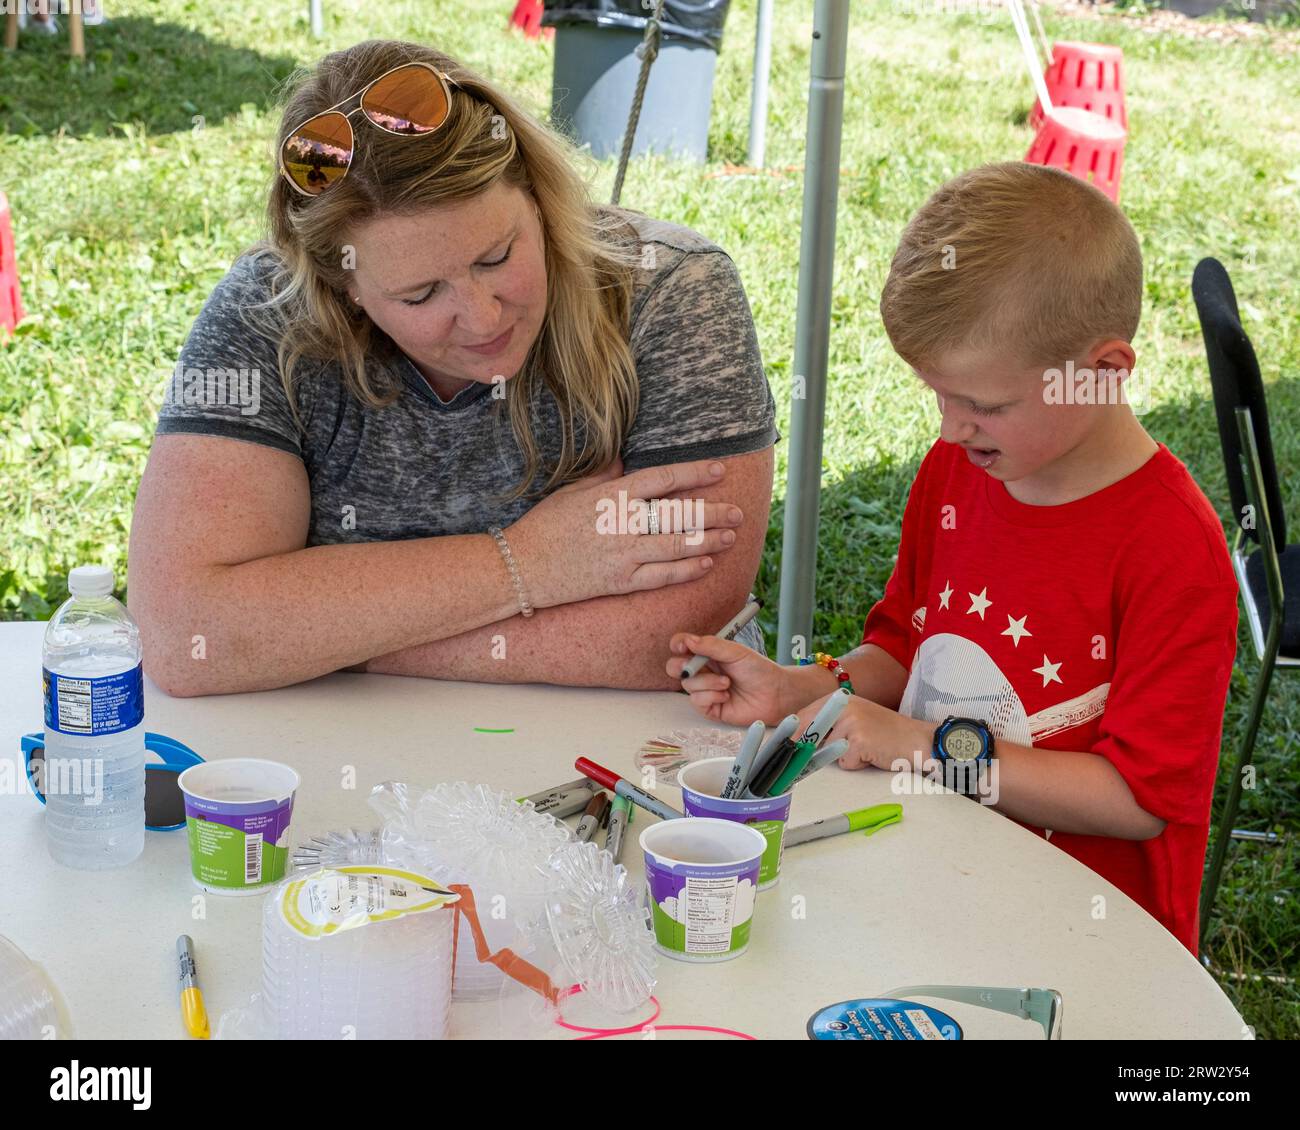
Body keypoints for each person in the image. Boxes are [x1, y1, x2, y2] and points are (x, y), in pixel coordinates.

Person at [670, 163, 1238, 956]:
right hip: (935, 889)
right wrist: (811, 689)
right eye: (938, 395)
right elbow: (905, 646)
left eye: (984, 404)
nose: (950, 428)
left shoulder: (1171, 547)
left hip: (1088, 940)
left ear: (1100, 373)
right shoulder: (960, 470)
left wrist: (917, 746)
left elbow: (1136, 797)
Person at [129, 40, 777, 697]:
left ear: (538, 196)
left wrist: (321, 636)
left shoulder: (670, 287)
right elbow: (190, 638)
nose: (482, 314)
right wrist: (529, 564)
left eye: (497, 256)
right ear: (343, 285)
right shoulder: (270, 311)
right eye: (420, 295)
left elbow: (683, 642)